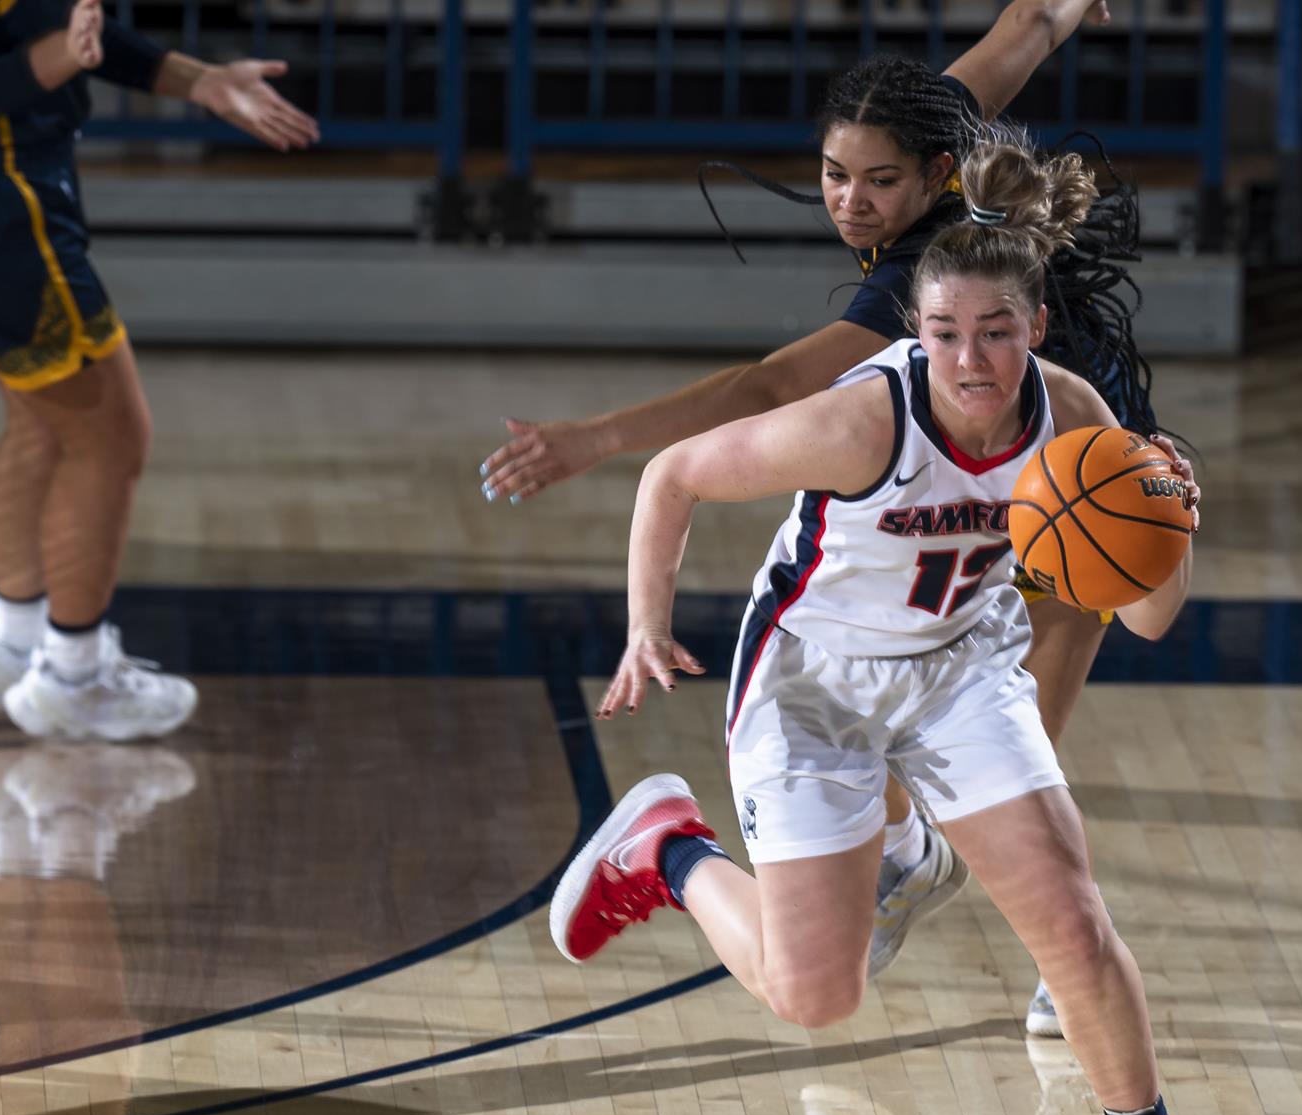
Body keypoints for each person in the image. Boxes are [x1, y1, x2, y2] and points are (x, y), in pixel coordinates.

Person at [544, 130, 1231, 1115]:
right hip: (813, 683)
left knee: (1069, 916)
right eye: (946, 332)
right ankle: (666, 849)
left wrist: (1169, 521)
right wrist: (644, 627)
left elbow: (1149, 616)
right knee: (815, 994)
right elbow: (674, 474)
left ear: (1035, 327)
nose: (970, 359)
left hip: (962, 670)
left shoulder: (1075, 422)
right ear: (917, 328)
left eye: (995, 332)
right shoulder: (864, 420)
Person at [481, 10, 1172, 1032]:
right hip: (994, 477)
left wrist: (594, 438)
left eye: (878, 181)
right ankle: (916, 873)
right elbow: (1022, 30)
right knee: (921, 685)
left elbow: (767, 388)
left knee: (1012, 725)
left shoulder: (913, 288)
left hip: (1070, 470)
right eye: (834, 173)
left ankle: (1050, 942)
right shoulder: (936, 128)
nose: (851, 199)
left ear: (937, 174)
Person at [0, 0, 318, 739]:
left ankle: (14, 642)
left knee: (40, 426)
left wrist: (200, 81)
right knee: (111, 440)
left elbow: (74, 36)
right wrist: (61, 57)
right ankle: (73, 675)